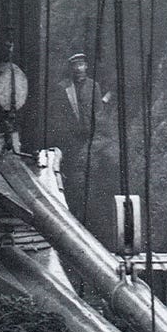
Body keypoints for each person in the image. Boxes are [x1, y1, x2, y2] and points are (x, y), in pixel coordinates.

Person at [54, 52, 111, 219]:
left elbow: (99, 116)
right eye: (75, 65)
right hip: (71, 143)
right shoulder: (62, 88)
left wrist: (97, 141)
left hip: (90, 142)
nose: (79, 68)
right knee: (73, 182)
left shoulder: (94, 87)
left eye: (82, 64)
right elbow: (59, 117)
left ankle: (88, 217)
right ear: (71, 68)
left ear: (86, 66)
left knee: (89, 181)